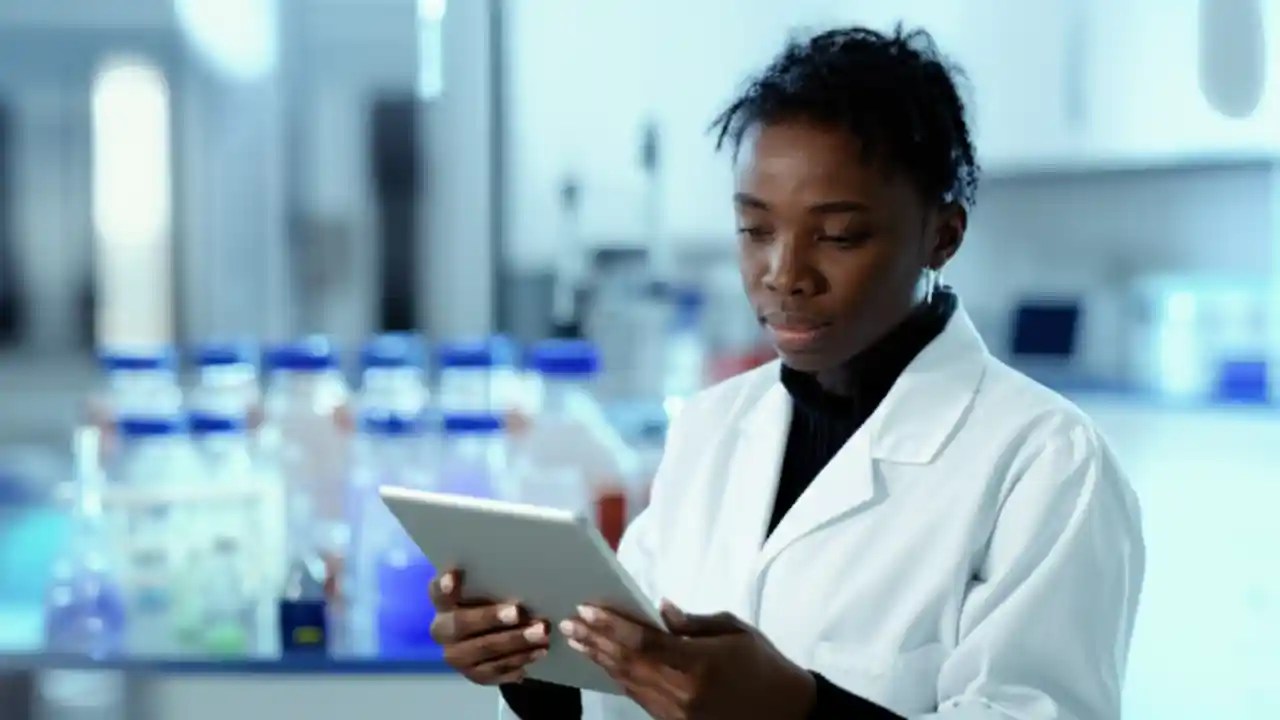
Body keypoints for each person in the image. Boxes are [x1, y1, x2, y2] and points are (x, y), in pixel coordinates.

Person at [428, 25, 1145, 720]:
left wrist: (801, 711)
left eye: (838, 235)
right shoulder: (709, 428)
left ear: (943, 234)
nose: (784, 274)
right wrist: (532, 669)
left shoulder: (1044, 462)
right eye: (756, 229)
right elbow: (621, 693)